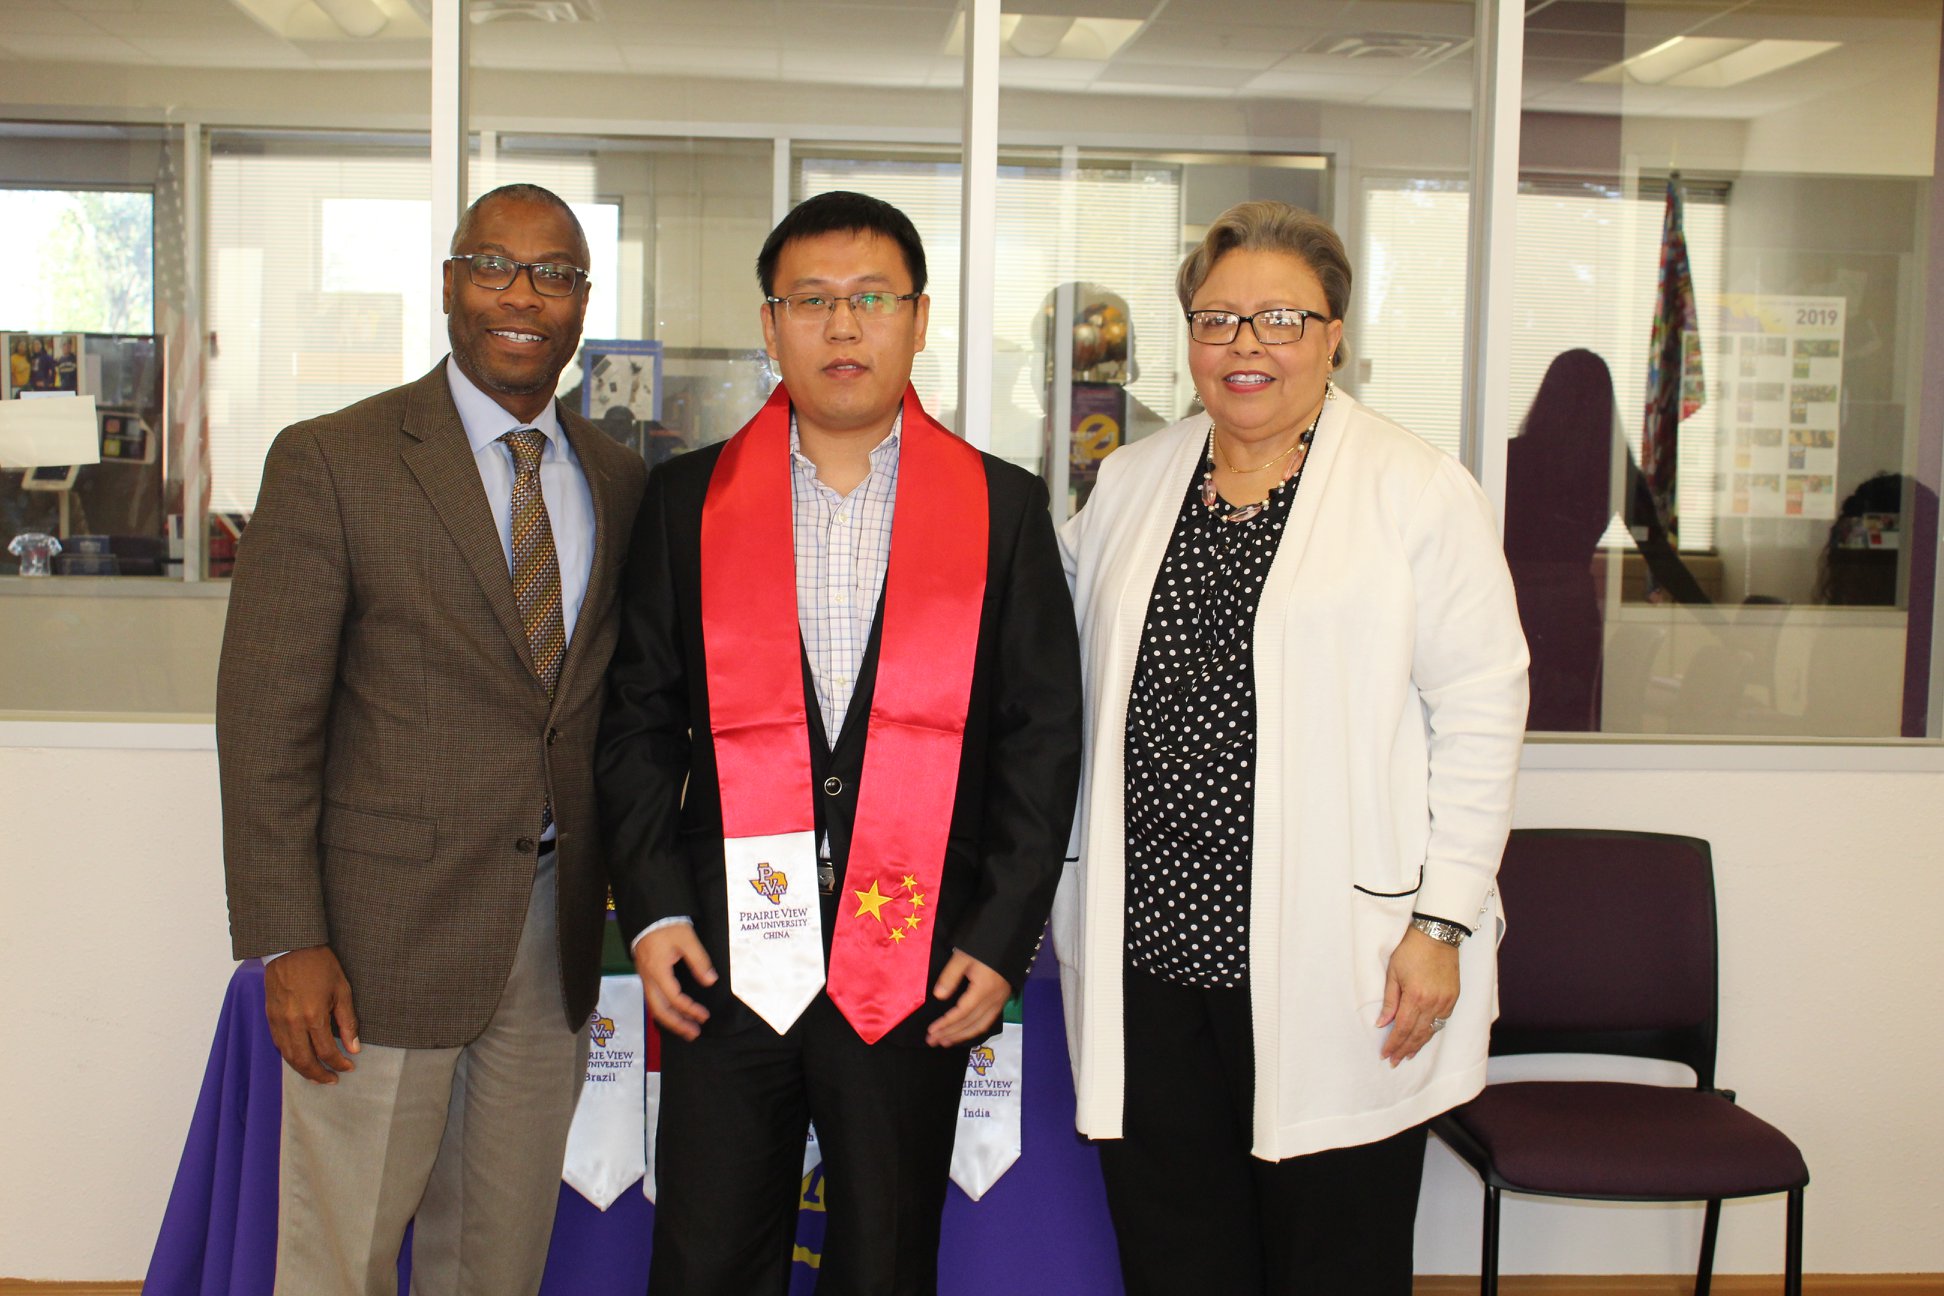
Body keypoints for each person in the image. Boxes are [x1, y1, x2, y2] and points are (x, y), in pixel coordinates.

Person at [598, 190, 1082, 1294]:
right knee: (709, 1253)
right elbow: (632, 722)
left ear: (919, 318)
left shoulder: (1002, 510)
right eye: (811, 301)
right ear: (771, 326)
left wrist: (1002, 930)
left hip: (914, 951)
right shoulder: (688, 505)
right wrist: (657, 908)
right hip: (724, 956)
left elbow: (1040, 739)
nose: (844, 327)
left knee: (885, 1256)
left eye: (873, 299)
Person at [1052, 200, 1528, 1294]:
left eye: (1280, 318)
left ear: (1335, 334)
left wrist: (1442, 920)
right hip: (1152, 954)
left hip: (1338, 958)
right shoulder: (1131, 483)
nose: (1246, 346)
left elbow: (1484, 706)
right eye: (1218, 321)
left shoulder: (1415, 490)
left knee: (1333, 1255)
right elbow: (1035, 639)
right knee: (1177, 1253)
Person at [217, 182, 646, 1294]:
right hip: (373, 947)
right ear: (452, 284)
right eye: (494, 265)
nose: (522, 294)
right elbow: (267, 723)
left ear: (582, 304)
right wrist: (287, 939)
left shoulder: (621, 479)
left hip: (553, 938)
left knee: (497, 1264)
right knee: (339, 1261)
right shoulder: (334, 461)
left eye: (552, 274)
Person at [1503, 347, 1709, 730]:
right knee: (1567, 723)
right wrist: (1719, 620)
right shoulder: (1613, 468)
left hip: (1515, 604)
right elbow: (1661, 558)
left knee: (1508, 717)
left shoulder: (1511, 458)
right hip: (1571, 611)